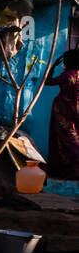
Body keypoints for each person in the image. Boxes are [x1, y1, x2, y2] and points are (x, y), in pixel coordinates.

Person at [44, 49, 79, 183]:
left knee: (67, 141)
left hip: (65, 110)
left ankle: (73, 169)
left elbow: (48, 82)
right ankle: (71, 170)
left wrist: (53, 67)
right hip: (75, 109)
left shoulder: (68, 75)